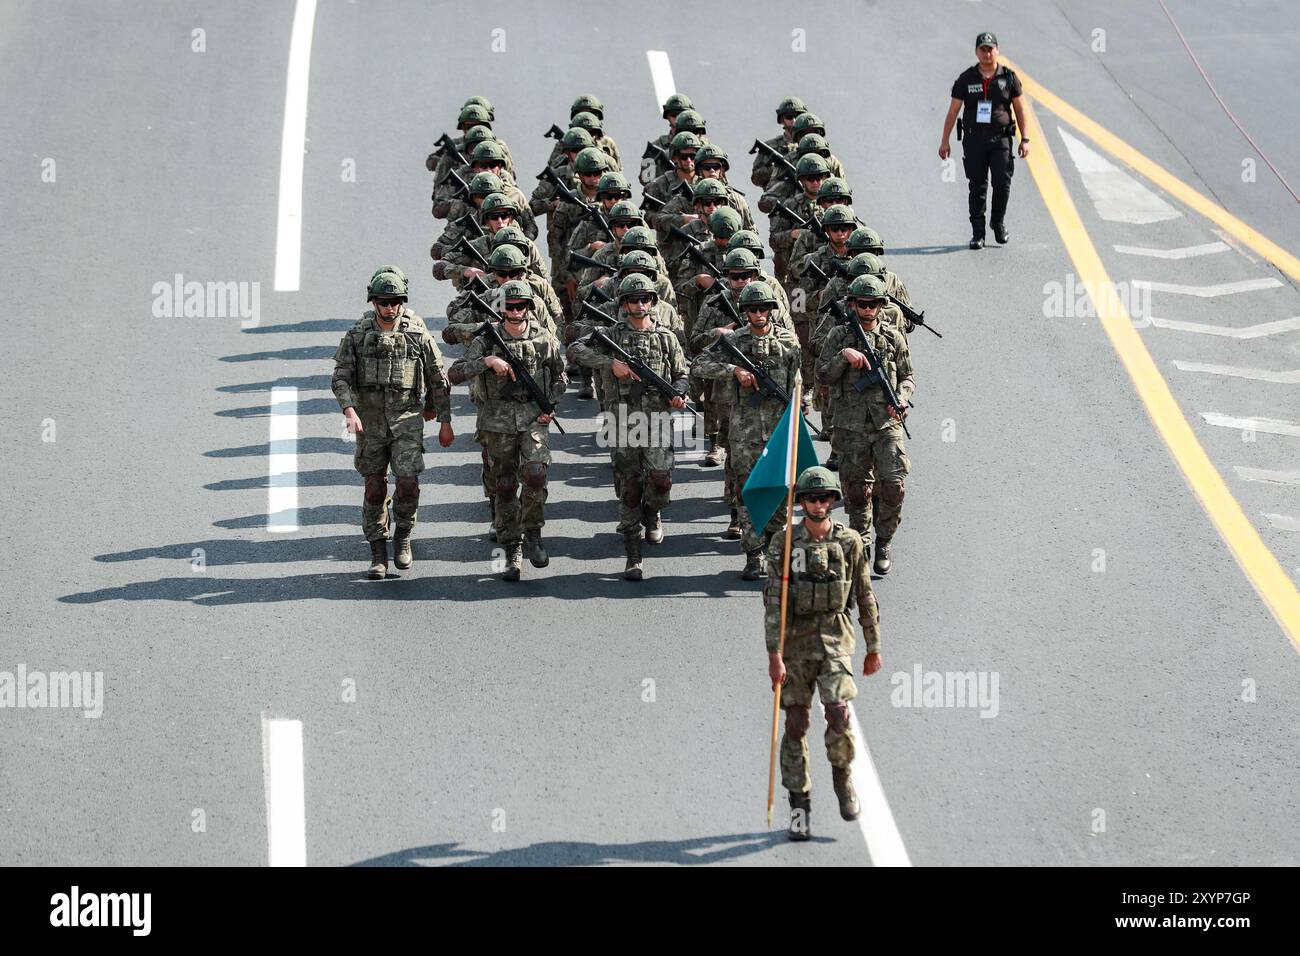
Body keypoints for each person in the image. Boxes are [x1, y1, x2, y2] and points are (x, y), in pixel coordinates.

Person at [765, 465, 882, 840]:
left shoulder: (850, 543)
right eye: (811, 498)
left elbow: (864, 594)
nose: (818, 504)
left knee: (838, 713)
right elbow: (772, 604)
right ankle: (799, 806)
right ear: (801, 502)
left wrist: (873, 645)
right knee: (796, 724)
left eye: (824, 498)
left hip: (835, 640)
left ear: (833, 501)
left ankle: (843, 781)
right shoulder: (785, 544)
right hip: (796, 644)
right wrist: (774, 654)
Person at [331, 268, 454, 579]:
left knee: (408, 484)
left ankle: (403, 535)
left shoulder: (416, 333)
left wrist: (443, 419)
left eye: (395, 302)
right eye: (384, 302)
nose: (390, 308)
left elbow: (438, 379)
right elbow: (341, 377)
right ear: (374, 302)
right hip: (370, 422)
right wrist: (349, 409)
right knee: (374, 488)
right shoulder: (358, 335)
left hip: (406, 420)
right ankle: (377, 548)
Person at [569, 274, 690, 581]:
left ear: (653, 303)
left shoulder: (666, 338)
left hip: (658, 421)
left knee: (661, 481)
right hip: (622, 421)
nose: (640, 305)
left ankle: (653, 511)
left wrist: (679, 393)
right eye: (633, 300)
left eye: (645, 299)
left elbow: (681, 373)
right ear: (623, 304)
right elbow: (575, 348)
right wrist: (610, 364)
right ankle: (632, 554)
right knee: (630, 486)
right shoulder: (610, 335)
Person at [455, 281, 567, 580]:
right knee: (504, 485)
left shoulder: (544, 338)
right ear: (502, 307)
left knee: (535, 474)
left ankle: (533, 533)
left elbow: (560, 377)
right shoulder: (487, 339)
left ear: (529, 307)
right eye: (510, 306)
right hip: (497, 420)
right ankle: (511, 546)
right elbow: (455, 372)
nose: (516, 311)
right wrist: (487, 362)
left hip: (533, 418)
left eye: (521, 306)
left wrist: (550, 404)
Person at [691, 281, 802, 578]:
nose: (758, 314)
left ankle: (774, 545)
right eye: (752, 309)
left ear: (771, 310)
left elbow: (798, 386)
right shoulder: (734, 341)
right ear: (745, 312)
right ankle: (754, 554)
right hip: (744, 433)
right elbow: (698, 364)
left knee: (780, 493)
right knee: (748, 494)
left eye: (763, 308)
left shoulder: (789, 343)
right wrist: (733, 370)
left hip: (779, 431)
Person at [815, 275, 914, 575]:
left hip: (886, 423)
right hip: (850, 425)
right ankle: (863, 541)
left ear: (881, 306)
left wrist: (902, 398)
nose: (868, 310)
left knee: (893, 487)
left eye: (873, 304)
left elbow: (909, 376)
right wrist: (844, 357)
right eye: (862, 304)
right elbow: (822, 375)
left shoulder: (893, 337)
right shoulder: (839, 335)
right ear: (853, 304)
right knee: (857, 491)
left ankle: (883, 541)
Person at [939, 31, 1030, 248]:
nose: (987, 53)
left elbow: (1020, 109)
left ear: (997, 51)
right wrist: (945, 141)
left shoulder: (1008, 77)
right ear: (977, 52)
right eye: (983, 49)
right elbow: (953, 112)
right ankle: (978, 233)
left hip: (1001, 141)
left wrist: (1025, 139)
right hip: (975, 141)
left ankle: (997, 223)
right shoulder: (966, 78)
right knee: (977, 187)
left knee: (1002, 182)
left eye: (990, 49)